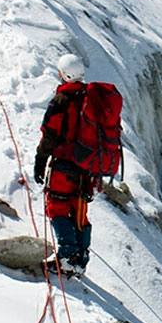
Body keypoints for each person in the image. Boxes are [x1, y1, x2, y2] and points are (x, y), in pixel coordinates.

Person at [32, 56, 122, 278]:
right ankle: (80, 259)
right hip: (88, 167)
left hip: (64, 164)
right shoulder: (92, 100)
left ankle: (67, 257)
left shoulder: (62, 100)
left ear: (63, 74)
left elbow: (50, 134)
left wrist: (40, 160)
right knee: (80, 211)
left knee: (57, 207)